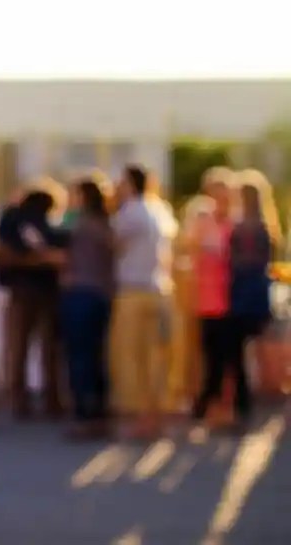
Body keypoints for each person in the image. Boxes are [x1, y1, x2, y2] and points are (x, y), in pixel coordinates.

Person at [204, 170, 281, 428]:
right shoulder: (265, 228)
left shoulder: (240, 229)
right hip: (259, 295)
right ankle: (250, 408)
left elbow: (235, 262)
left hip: (239, 296)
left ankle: (239, 409)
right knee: (255, 353)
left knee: (234, 356)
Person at [109, 164, 173, 439]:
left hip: (133, 291)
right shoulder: (159, 211)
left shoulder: (130, 212)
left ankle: (139, 418)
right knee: (156, 356)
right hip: (159, 289)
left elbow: (114, 244)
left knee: (131, 358)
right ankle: (155, 414)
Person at [0, 184, 66, 420]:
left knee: (19, 347)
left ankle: (21, 399)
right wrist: (44, 260)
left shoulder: (11, 220)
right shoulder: (41, 224)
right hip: (41, 290)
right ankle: (50, 399)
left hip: (23, 290)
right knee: (46, 348)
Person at [57, 176, 116, 439]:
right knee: (97, 355)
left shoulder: (76, 223)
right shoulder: (106, 224)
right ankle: (100, 412)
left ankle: (83, 413)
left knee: (79, 355)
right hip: (102, 293)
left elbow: (60, 250)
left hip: (79, 292)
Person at [179, 168, 235, 420]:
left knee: (225, 356)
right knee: (205, 353)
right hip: (204, 298)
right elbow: (189, 250)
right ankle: (203, 402)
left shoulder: (234, 223)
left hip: (229, 298)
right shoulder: (202, 219)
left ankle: (220, 405)